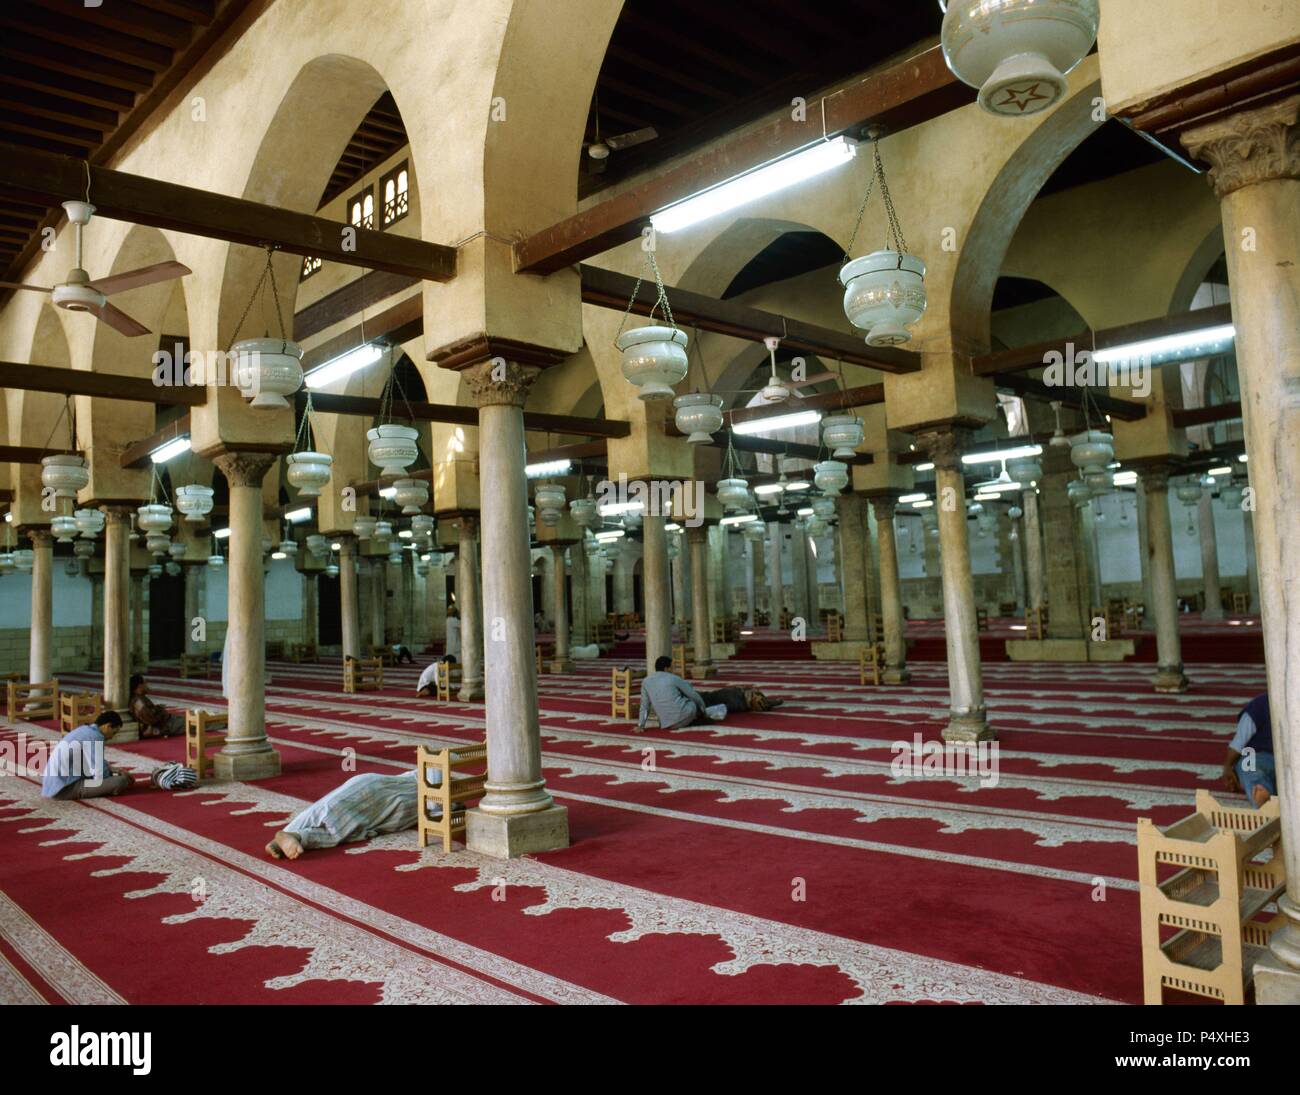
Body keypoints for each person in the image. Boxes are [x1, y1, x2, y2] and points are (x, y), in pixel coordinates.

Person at [265, 767, 437, 859]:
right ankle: (287, 833)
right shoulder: (433, 773)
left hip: (385, 814)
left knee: (345, 831)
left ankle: (296, 837)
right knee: (331, 809)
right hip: (377, 790)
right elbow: (435, 805)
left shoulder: (448, 801)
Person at [636, 656, 782, 733]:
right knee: (707, 698)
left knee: (709, 698)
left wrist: (641, 725)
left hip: (667, 724)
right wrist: (702, 709)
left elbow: (644, 706)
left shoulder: (646, 681)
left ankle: (745, 697)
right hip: (685, 715)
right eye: (672, 667)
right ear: (667, 668)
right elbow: (693, 695)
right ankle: (746, 698)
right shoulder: (673, 678)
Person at [41, 711, 133, 800]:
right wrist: (116, 777)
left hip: (53, 784)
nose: (112, 737)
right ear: (107, 726)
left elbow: (94, 761)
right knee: (120, 782)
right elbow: (100, 775)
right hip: (64, 789)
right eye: (113, 733)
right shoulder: (96, 737)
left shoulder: (85, 730)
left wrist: (115, 770)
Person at [1223, 692, 1275, 808]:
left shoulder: (1259, 705)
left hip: (1263, 757)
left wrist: (1227, 767)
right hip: (1272, 759)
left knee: (1248, 767)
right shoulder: (1260, 705)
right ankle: (1264, 794)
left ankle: (1262, 794)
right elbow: (1239, 743)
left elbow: (1239, 743)